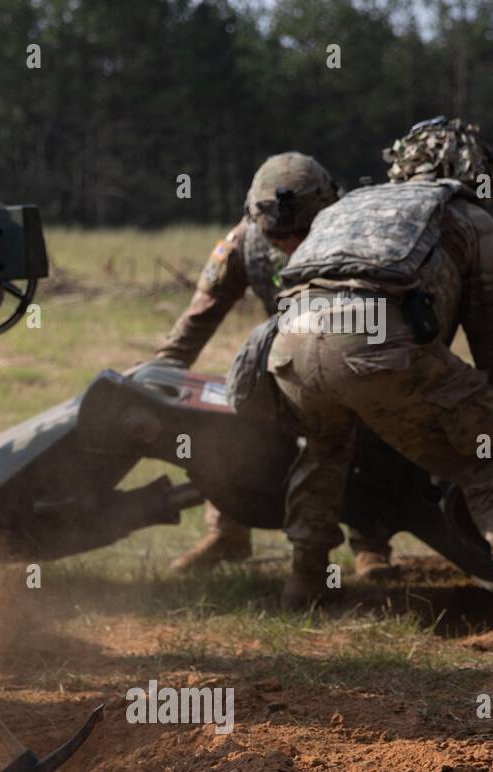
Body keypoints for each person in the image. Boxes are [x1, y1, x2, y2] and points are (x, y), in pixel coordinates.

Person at [268, 117, 493, 633]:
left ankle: (303, 582)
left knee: (325, 447)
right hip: (373, 342)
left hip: (290, 346)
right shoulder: (471, 220)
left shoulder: (348, 206)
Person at [153, 154, 398, 577]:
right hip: (283, 359)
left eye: (301, 232)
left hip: (356, 360)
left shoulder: (361, 234)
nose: (289, 243)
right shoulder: (243, 243)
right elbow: (198, 319)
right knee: (227, 422)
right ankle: (228, 533)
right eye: (277, 234)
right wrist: (162, 371)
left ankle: (369, 541)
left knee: (363, 440)